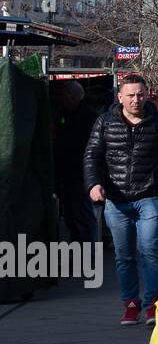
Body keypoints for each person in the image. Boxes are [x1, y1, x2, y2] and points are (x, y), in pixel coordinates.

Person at [83, 75, 158, 326]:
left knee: (149, 249)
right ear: (120, 97)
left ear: (147, 95)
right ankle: (130, 303)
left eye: (140, 94)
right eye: (130, 95)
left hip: (148, 197)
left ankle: (152, 304)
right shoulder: (105, 122)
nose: (135, 100)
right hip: (116, 201)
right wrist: (93, 184)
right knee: (124, 255)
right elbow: (91, 156)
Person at [51, 80, 100, 245]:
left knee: (82, 217)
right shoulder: (65, 115)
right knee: (73, 218)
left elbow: (90, 149)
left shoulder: (88, 117)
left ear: (73, 97)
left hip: (80, 176)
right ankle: (79, 254)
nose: (60, 98)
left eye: (63, 94)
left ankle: (87, 257)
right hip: (69, 174)